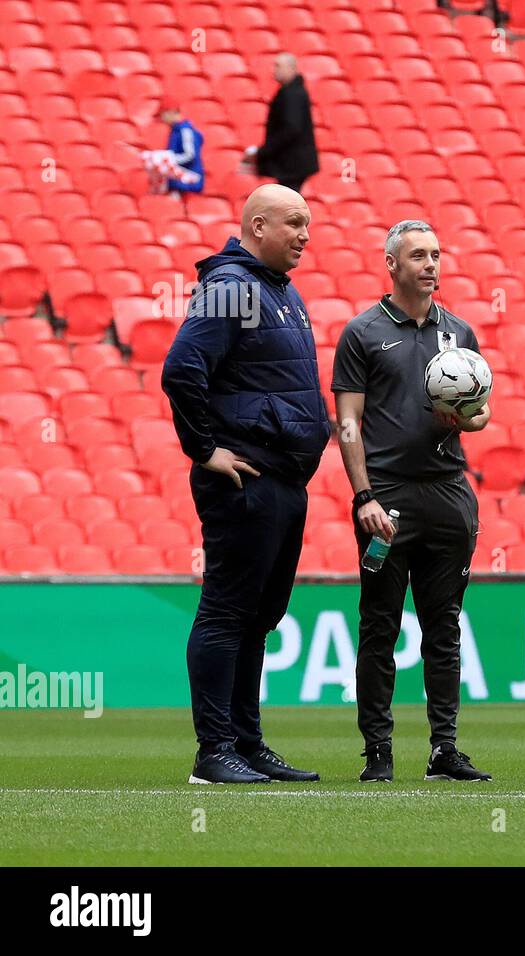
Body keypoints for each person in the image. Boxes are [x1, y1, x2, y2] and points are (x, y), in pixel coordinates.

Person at [161, 184, 331, 784]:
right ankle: (214, 752)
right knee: (227, 611)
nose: (306, 234)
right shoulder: (232, 286)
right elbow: (182, 369)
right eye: (294, 223)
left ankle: (246, 742)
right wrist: (206, 451)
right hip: (245, 478)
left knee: (259, 615)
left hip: (284, 479)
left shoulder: (281, 292)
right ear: (257, 227)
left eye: (308, 223)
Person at [332, 221, 491, 784]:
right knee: (380, 627)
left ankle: (444, 750)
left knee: (444, 628)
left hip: (448, 497)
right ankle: (378, 750)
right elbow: (348, 422)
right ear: (392, 265)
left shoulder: (461, 335)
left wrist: (469, 417)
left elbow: (475, 415)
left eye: (436, 254)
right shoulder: (363, 333)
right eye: (417, 255)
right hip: (387, 502)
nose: (430, 264)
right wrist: (363, 496)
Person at [253, 53, 319, 193]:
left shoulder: (292, 93)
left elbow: (291, 128)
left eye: (278, 66)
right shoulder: (292, 91)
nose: (274, 70)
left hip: (293, 163)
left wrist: (264, 151)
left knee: (287, 204)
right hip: (293, 162)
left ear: (291, 68)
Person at [157, 105, 204, 194]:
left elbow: (190, 155)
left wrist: (166, 159)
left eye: (162, 115)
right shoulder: (175, 131)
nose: (162, 120)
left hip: (188, 184)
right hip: (178, 183)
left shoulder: (185, 131)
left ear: (170, 112)